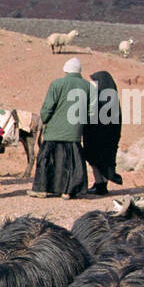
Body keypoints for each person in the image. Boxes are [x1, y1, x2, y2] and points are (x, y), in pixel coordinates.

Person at [30, 56, 90, 199]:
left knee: (47, 159)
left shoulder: (57, 84)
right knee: (71, 162)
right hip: (74, 131)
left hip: (54, 130)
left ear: (66, 70)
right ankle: (68, 191)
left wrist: (44, 119)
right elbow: (90, 110)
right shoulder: (87, 86)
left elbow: (48, 107)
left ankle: (42, 190)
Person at [83, 69, 123, 195]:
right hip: (110, 139)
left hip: (98, 138)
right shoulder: (113, 100)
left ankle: (100, 184)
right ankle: (101, 184)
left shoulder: (100, 99)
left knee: (95, 159)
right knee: (105, 160)